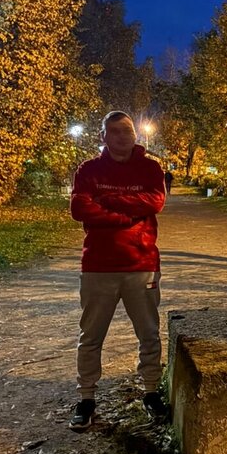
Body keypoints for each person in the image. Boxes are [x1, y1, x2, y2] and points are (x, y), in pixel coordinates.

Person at [69, 110, 168, 430]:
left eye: (127, 131)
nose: (123, 137)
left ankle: (152, 392)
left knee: (149, 334)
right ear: (104, 137)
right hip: (98, 265)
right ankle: (86, 398)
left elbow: (154, 201)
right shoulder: (89, 170)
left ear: (134, 135)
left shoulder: (151, 168)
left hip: (141, 264)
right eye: (115, 132)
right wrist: (124, 216)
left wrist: (109, 201)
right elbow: (79, 208)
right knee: (91, 336)